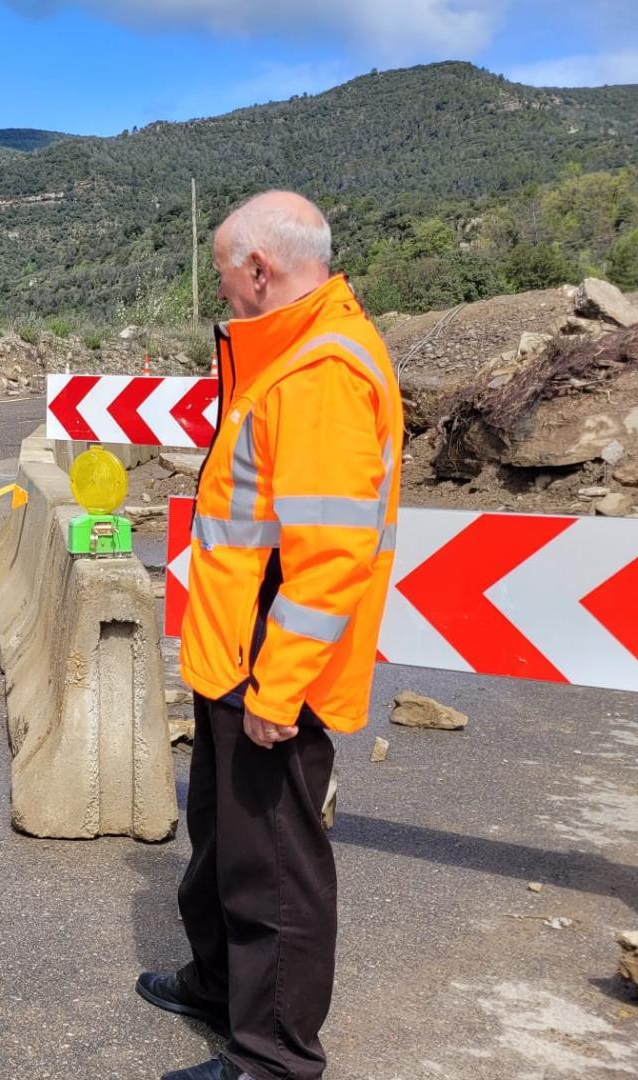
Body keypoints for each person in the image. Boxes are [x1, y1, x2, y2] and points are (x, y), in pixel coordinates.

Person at [140, 191, 403, 1080]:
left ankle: (274, 1057)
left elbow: (330, 558)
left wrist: (277, 691)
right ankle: (219, 984)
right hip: (232, 653)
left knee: (275, 872)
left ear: (259, 268)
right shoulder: (288, 356)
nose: (221, 287)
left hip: (267, 671)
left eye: (222, 270)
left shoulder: (323, 371)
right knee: (222, 841)